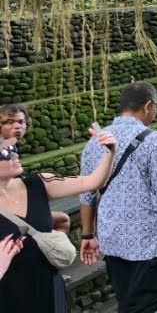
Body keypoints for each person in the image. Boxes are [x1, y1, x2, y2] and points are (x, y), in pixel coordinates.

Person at [79, 82, 157, 313]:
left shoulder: (96, 142)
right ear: (148, 106)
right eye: (156, 108)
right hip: (145, 243)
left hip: (111, 240)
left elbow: (87, 195)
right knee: (148, 305)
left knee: (126, 300)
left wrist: (87, 234)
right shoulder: (153, 140)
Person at [0, 127, 120, 311]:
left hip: (49, 286)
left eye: (14, 148)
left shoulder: (37, 183)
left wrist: (110, 152)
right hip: (10, 295)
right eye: (5, 152)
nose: (14, 155)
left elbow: (91, 182)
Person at [0, 103, 71, 235]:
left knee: (62, 219)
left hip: (15, 202)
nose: (18, 126)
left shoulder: (10, 145)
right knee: (62, 219)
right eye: (10, 122)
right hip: (8, 211)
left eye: (21, 122)